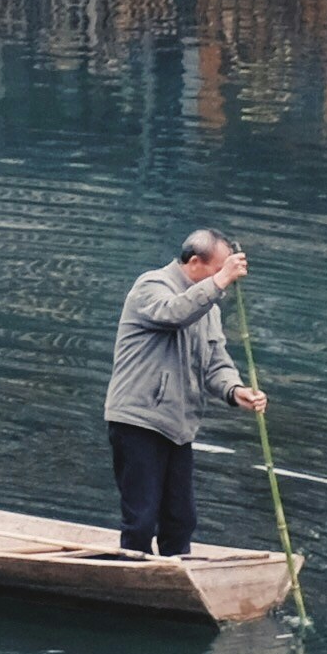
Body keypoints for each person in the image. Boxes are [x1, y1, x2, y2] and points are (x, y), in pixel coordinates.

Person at [104, 229, 264, 557]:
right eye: (219, 269)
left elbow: (216, 363)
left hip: (179, 427)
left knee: (180, 519)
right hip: (139, 420)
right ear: (194, 262)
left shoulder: (209, 309)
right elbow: (174, 313)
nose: (225, 279)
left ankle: (175, 580)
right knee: (141, 519)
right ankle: (132, 579)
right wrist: (219, 282)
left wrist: (236, 391)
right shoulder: (150, 286)